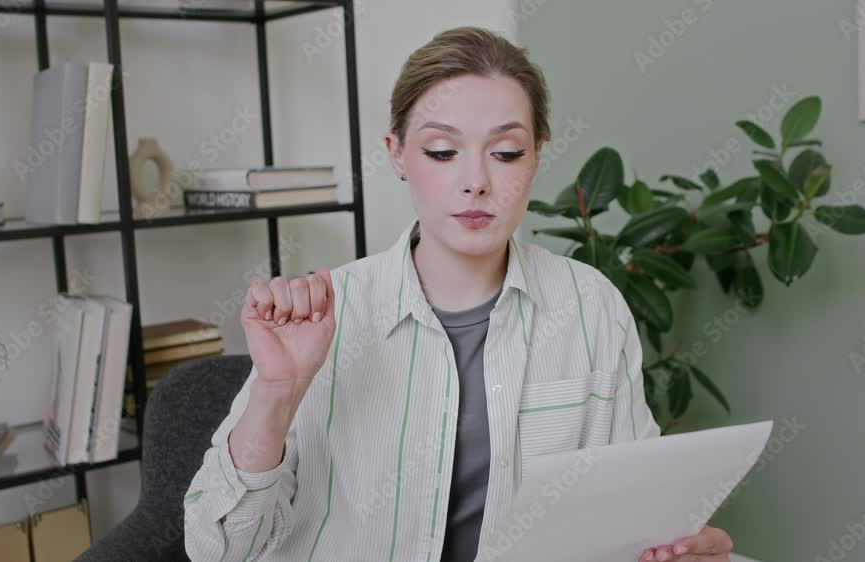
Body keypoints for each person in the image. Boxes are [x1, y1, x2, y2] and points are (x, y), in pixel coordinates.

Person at [183, 26, 734, 562]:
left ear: (537, 156)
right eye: (443, 151)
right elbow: (217, 548)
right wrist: (277, 395)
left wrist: (672, 549)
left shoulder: (590, 307)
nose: (476, 182)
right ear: (397, 154)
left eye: (507, 153)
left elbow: (631, 517)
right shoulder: (326, 313)